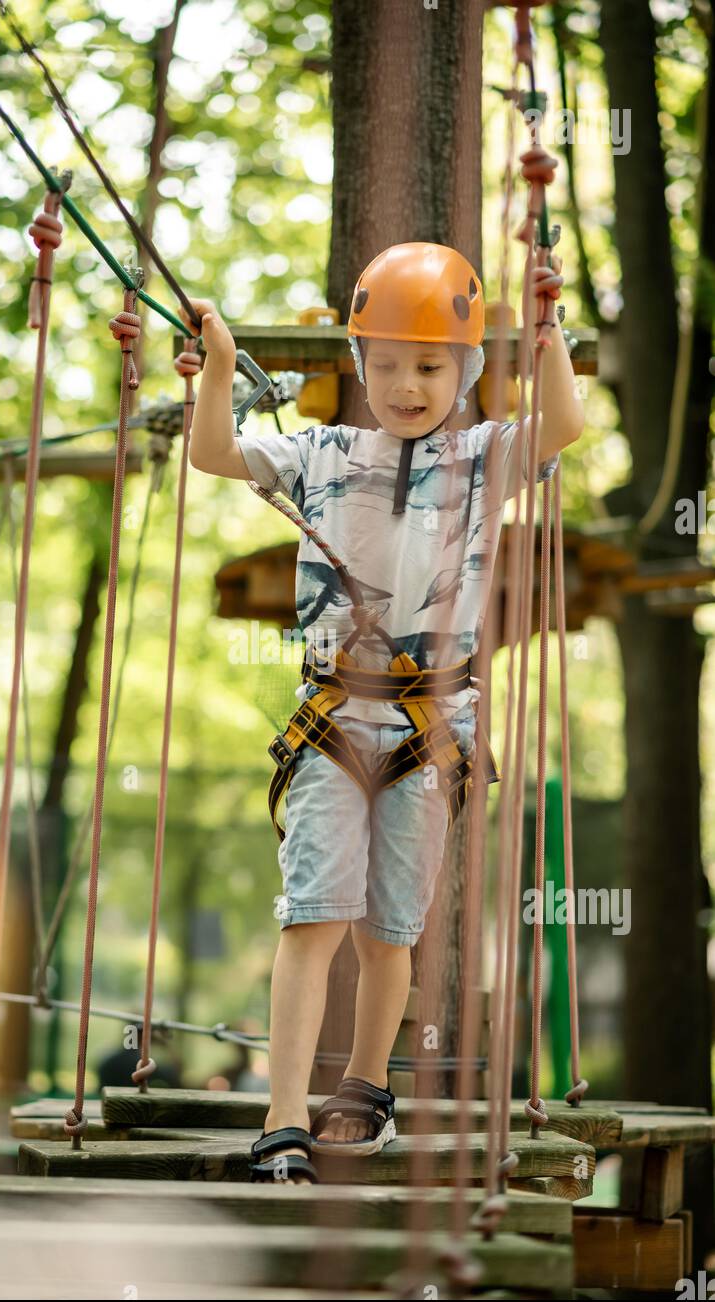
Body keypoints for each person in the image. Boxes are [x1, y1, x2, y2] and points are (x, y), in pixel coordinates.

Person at [176, 238, 584, 1185]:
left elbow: (558, 423)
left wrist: (550, 329)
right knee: (310, 916)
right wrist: (221, 371)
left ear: (468, 369)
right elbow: (212, 452)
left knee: (389, 928)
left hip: (431, 724)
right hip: (333, 714)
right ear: (360, 366)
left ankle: (362, 1087)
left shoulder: (488, 457)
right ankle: (282, 1115)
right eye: (387, 364)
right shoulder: (321, 451)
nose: (406, 384)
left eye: (431, 366)